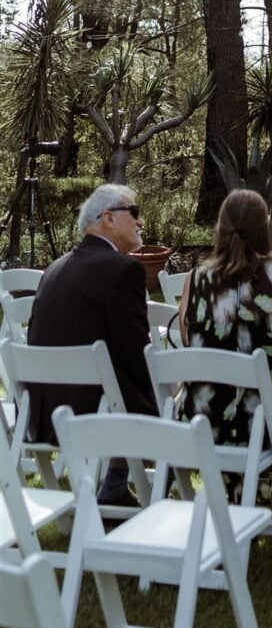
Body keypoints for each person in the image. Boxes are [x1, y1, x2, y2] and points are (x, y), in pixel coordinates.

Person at [176, 188, 272, 542]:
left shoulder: (195, 280)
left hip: (208, 418)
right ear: (264, 230)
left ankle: (232, 502)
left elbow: (188, 344)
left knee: (262, 399)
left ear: (220, 229)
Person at [26, 182, 157, 507]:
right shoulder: (124, 270)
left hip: (42, 414)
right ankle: (155, 478)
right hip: (91, 416)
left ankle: (116, 484)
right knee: (164, 385)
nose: (140, 222)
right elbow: (137, 355)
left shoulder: (54, 269)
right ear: (108, 218)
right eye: (134, 212)